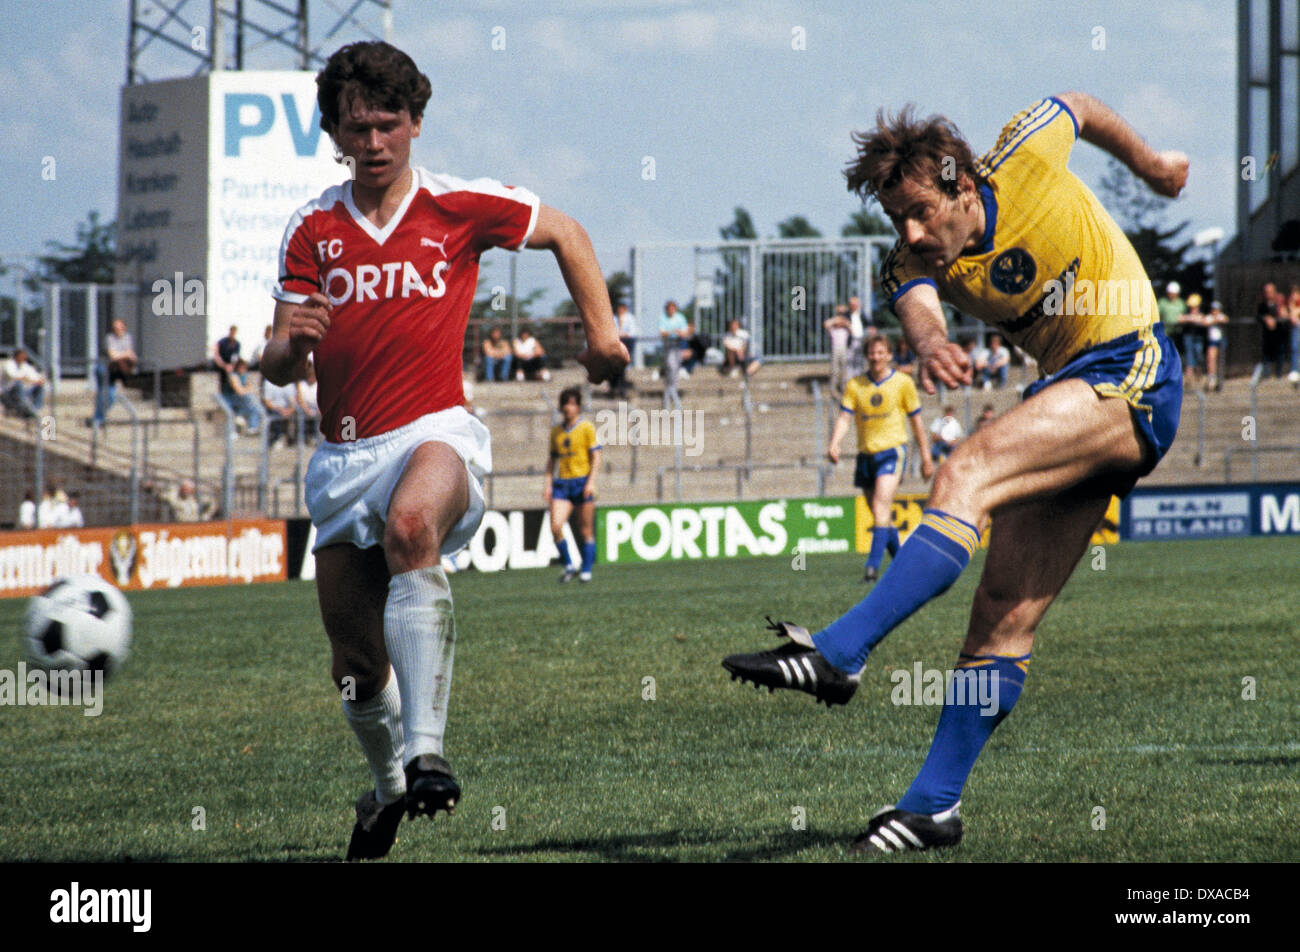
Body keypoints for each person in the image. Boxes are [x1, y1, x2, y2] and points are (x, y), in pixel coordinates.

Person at [723, 92, 1187, 853]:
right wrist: (931, 343)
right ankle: (933, 806)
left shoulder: (1024, 151)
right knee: (1001, 614)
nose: (909, 232)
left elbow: (1077, 102)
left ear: (962, 186)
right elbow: (916, 306)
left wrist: (1151, 163)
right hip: (1072, 393)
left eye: (919, 211)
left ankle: (839, 653)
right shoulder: (908, 258)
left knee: (964, 470)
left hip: (1133, 366)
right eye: (894, 218)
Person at [259, 41, 626, 861]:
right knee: (355, 667)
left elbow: (565, 230)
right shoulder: (313, 226)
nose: (376, 141)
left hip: (435, 433)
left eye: (389, 123)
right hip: (341, 459)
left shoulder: (460, 205)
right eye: (358, 127)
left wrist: (603, 336)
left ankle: (428, 752)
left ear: (416, 123)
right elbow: (276, 358)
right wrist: (290, 347)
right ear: (336, 132)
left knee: (413, 524)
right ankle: (389, 787)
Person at [827, 334, 933, 583]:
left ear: (889, 355)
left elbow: (916, 422)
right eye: (871, 353)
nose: (875, 357)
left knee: (880, 507)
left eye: (880, 352)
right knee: (880, 516)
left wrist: (926, 457)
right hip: (865, 455)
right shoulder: (856, 385)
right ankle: (903, 566)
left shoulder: (903, 383)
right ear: (867, 356)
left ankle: (872, 569)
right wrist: (834, 442)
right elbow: (844, 417)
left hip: (892, 451)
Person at [545, 387, 601, 583]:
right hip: (562, 485)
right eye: (566, 404)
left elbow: (596, 456)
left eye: (573, 404)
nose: (569, 408)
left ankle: (586, 570)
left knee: (585, 530)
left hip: (582, 482)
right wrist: (548, 484)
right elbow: (552, 460)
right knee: (555, 526)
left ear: (578, 407)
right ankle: (569, 564)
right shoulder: (556, 432)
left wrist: (591, 482)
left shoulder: (586, 428)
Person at [93, 319, 137, 428]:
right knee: (105, 394)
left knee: (111, 396)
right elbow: (113, 356)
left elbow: (130, 355)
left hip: (113, 370)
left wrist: (122, 355)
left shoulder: (127, 338)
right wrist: (125, 354)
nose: (117, 330)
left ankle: (98, 418)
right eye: (115, 328)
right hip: (103, 368)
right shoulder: (110, 338)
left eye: (120, 328)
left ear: (124, 328)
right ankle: (98, 419)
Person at [1254, 282, 1288, 382]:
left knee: (1280, 354)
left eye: (1270, 292)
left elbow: (1285, 315)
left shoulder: (1280, 303)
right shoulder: (1262, 305)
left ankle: (1279, 375)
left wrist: (1277, 319)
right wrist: (1265, 318)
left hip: (1279, 333)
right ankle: (1267, 376)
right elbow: (1258, 316)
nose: (1268, 294)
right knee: (1266, 355)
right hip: (1267, 335)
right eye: (1266, 292)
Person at [222, 358, 263, 434]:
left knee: (254, 407)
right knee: (249, 398)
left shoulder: (244, 375)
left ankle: (252, 427)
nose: (244, 369)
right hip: (231, 399)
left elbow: (251, 388)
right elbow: (239, 391)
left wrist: (245, 389)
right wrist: (245, 389)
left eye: (245, 368)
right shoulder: (233, 376)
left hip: (242, 399)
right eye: (242, 367)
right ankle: (243, 420)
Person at [1, 349, 46, 418]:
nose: (24, 358)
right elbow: (14, 377)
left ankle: (35, 410)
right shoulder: (9, 364)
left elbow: (35, 376)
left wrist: (39, 380)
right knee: (18, 384)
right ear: (16, 356)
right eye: (21, 356)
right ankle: (22, 408)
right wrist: (28, 379)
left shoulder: (25, 366)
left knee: (39, 386)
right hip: (7, 392)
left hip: (22, 392)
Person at [608, 302, 637, 397]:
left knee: (621, 367)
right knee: (613, 367)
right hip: (615, 346)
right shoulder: (614, 319)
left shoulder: (630, 319)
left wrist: (620, 334)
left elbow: (631, 333)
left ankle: (621, 388)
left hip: (626, 344)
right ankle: (614, 388)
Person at [657, 299, 688, 387]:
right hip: (668, 344)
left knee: (676, 364)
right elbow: (662, 332)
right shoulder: (663, 318)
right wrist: (673, 332)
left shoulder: (680, 318)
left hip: (679, 343)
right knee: (671, 364)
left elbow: (684, 332)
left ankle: (672, 384)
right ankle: (670, 384)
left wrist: (677, 332)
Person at [262, 373, 300, 446]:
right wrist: (279, 409)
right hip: (274, 408)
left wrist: (290, 410)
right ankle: (278, 437)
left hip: (286, 409)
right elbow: (267, 402)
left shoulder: (289, 383)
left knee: (298, 412)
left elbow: (293, 401)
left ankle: (297, 438)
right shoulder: (268, 383)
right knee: (275, 414)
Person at [1177, 293, 1207, 385]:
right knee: (1189, 356)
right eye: (1191, 307)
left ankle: (1199, 377)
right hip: (1188, 337)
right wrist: (1191, 318)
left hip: (1198, 338)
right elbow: (1180, 319)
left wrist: (1194, 319)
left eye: (1195, 307)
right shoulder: (1186, 314)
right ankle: (1188, 379)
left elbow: (1203, 320)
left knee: (1198, 355)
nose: (1193, 309)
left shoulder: (1202, 314)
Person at [825, 305, 852, 395]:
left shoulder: (845, 328)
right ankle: (833, 389)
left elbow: (851, 328)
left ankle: (844, 387)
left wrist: (843, 320)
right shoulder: (833, 329)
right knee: (834, 369)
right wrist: (837, 319)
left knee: (844, 368)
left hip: (844, 348)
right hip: (835, 348)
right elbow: (827, 324)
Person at [1203, 300, 1228, 392]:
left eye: (1216, 309)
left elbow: (1225, 319)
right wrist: (1215, 320)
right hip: (1212, 341)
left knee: (1220, 360)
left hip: (1220, 341)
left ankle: (1219, 378)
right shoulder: (1209, 317)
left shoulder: (1221, 316)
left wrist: (1217, 320)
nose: (1215, 311)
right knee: (1211, 359)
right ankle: (1212, 377)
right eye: (1213, 309)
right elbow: (1205, 322)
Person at [1288, 284, 1300, 387]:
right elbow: (1292, 317)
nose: (1294, 296)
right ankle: (1295, 371)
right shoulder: (1292, 304)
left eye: (1295, 294)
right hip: (1297, 328)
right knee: (1295, 349)